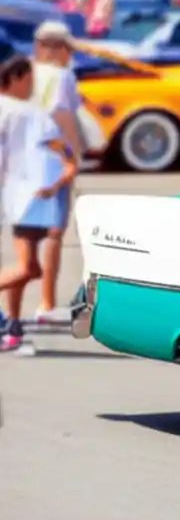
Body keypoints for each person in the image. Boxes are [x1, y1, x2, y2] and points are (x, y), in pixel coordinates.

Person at [0, 48, 79, 352]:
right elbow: (65, 153)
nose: (32, 87)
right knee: (28, 267)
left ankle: (13, 326)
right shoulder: (30, 114)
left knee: (27, 265)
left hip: (22, 199)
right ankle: (12, 325)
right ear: (17, 78)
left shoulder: (22, 112)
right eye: (29, 80)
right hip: (26, 199)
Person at [29, 22, 83, 322]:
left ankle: (11, 312)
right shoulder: (61, 77)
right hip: (53, 160)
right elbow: (65, 117)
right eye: (67, 48)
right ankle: (46, 304)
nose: (70, 55)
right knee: (52, 234)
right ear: (55, 47)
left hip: (22, 162)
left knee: (25, 237)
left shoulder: (23, 72)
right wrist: (75, 157)